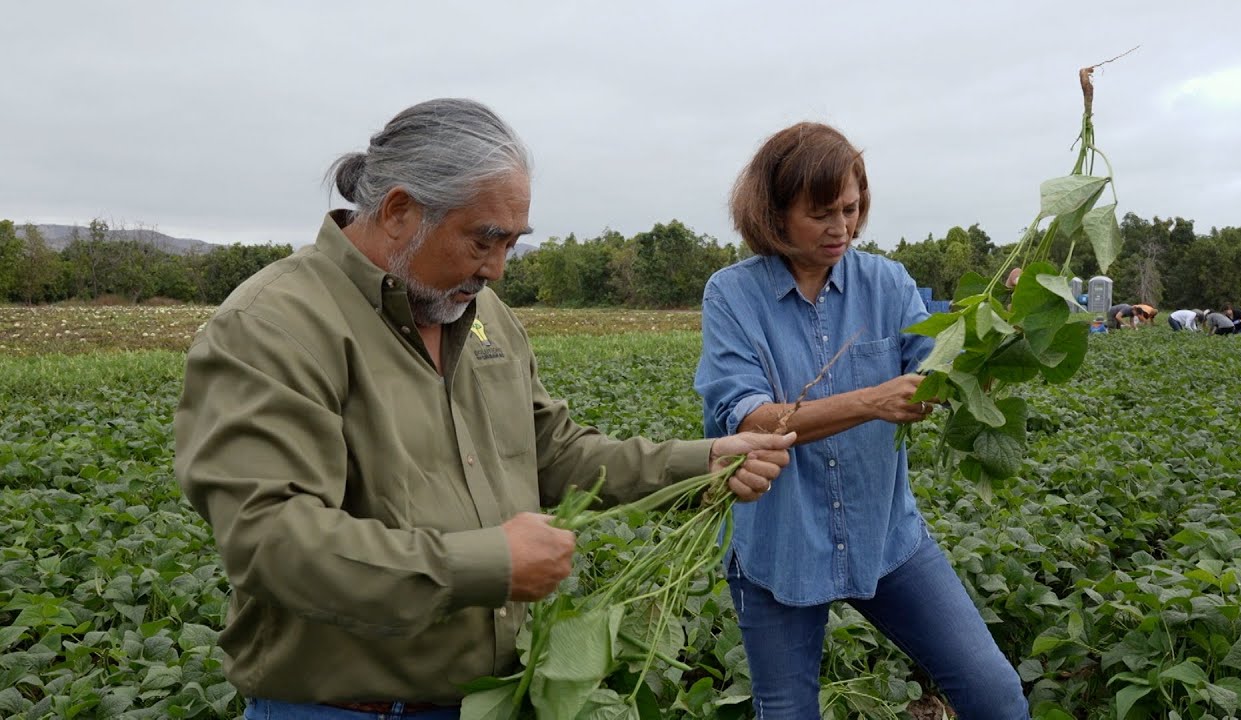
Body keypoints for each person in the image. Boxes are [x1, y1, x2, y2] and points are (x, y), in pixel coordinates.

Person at [173, 99, 795, 720]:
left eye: (511, 243)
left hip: (488, 700)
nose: (496, 268)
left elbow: (555, 450)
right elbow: (271, 540)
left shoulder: (481, 318)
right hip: (346, 709)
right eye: (483, 239)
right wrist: (487, 564)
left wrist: (706, 463)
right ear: (398, 211)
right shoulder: (275, 327)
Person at [694, 122, 1028, 719]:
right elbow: (751, 419)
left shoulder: (888, 282)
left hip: (887, 535)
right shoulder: (731, 296)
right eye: (820, 213)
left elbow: (946, 381)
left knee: (994, 693)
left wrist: (1001, 336)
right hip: (781, 544)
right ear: (773, 215)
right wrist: (870, 400)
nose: (841, 228)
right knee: (788, 708)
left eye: (850, 209)